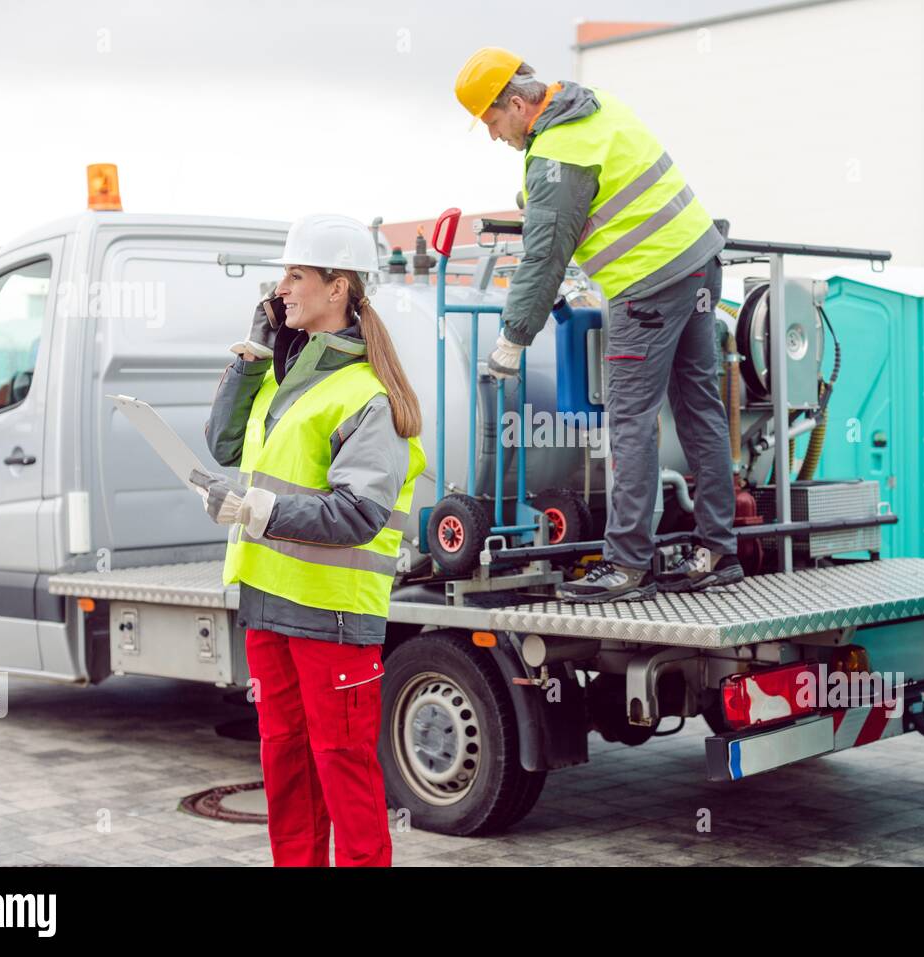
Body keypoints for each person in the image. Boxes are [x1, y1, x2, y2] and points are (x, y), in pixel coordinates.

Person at [453, 47, 743, 603]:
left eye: (492, 122)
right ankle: (716, 551)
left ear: (516, 103)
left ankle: (627, 565)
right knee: (700, 407)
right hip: (700, 262)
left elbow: (543, 259)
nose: (493, 135)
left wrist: (514, 339)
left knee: (630, 421)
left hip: (649, 284)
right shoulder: (595, 105)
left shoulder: (557, 152)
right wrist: (539, 196)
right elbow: (594, 187)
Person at [195, 213, 425, 867]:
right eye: (283, 275)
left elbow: (359, 514)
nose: (282, 287)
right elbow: (223, 444)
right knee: (287, 767)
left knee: (344, 773)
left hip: (334, 614)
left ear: (339, 287)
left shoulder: (367, 394)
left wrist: (258, 507)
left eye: (296, 274)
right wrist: (251, 358)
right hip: (268, 602)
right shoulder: (282, 376)